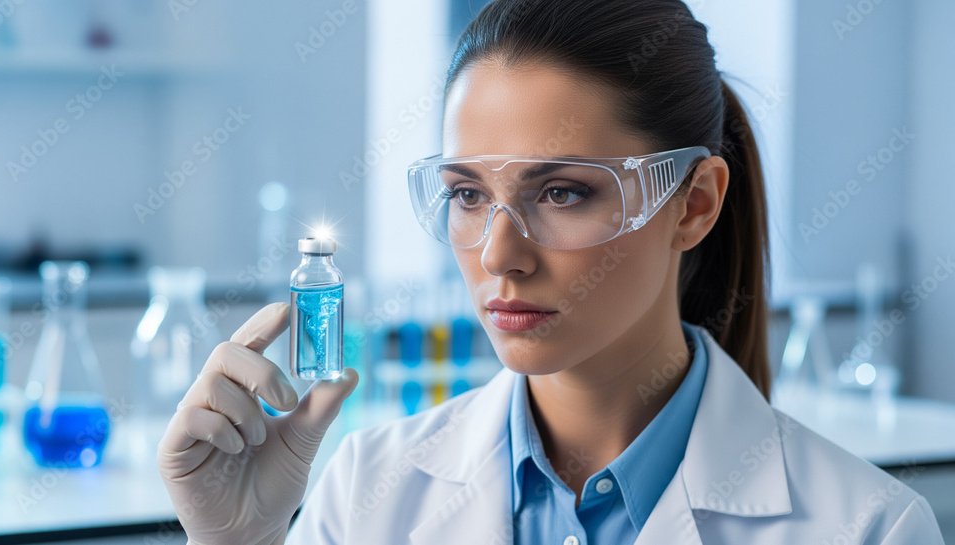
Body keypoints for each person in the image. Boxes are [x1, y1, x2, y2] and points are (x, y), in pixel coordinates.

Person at [156, 1, 946, 543]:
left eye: (563, 191)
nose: (499, 253)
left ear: (693, 204)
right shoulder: (370, 491)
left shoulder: (866, 526)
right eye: (467, 194)